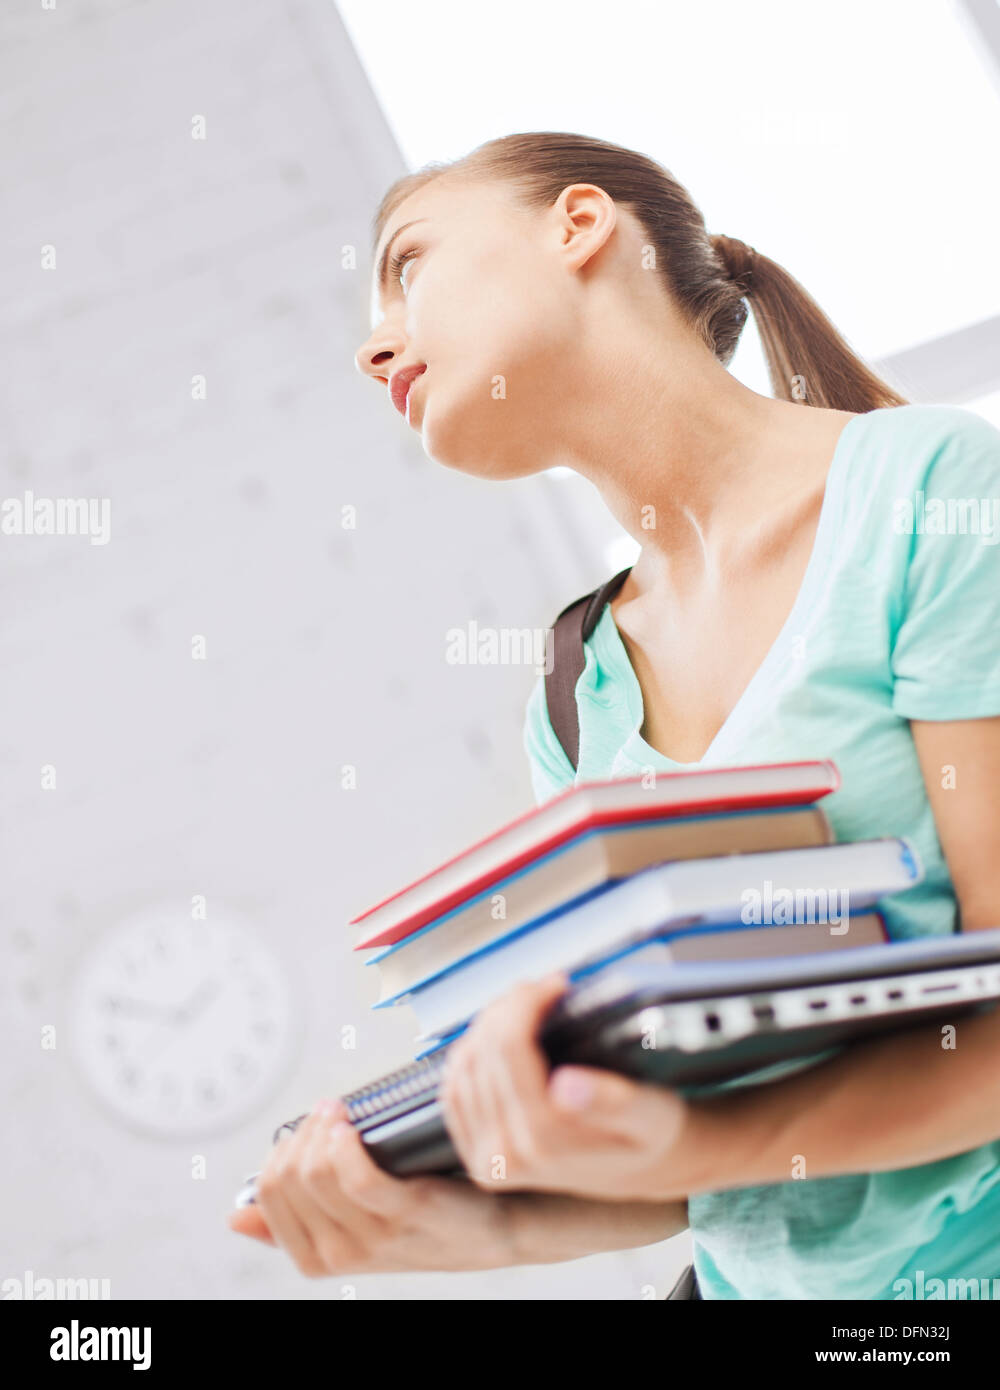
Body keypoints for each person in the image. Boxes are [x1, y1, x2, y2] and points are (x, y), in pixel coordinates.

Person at [228, 131, 1000, 1298]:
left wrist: (696, 1148)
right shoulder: (576, 688)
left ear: (580, 225)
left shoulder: (930, 491)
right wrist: (444, 1223)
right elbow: (677, 1154)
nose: (371, 342)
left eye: (408, 265)